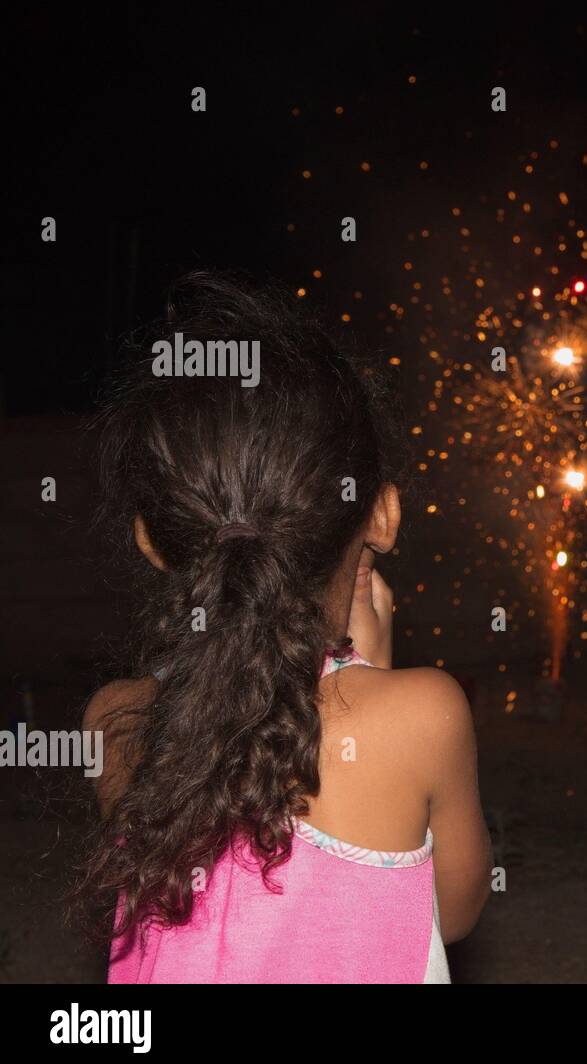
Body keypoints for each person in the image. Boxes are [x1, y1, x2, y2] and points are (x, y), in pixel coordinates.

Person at [80, 273, 491, 983]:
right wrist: (372, 674)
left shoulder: (114, 722)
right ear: (383, 514)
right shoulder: (425, 714)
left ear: (150, 538)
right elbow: (453, 910)